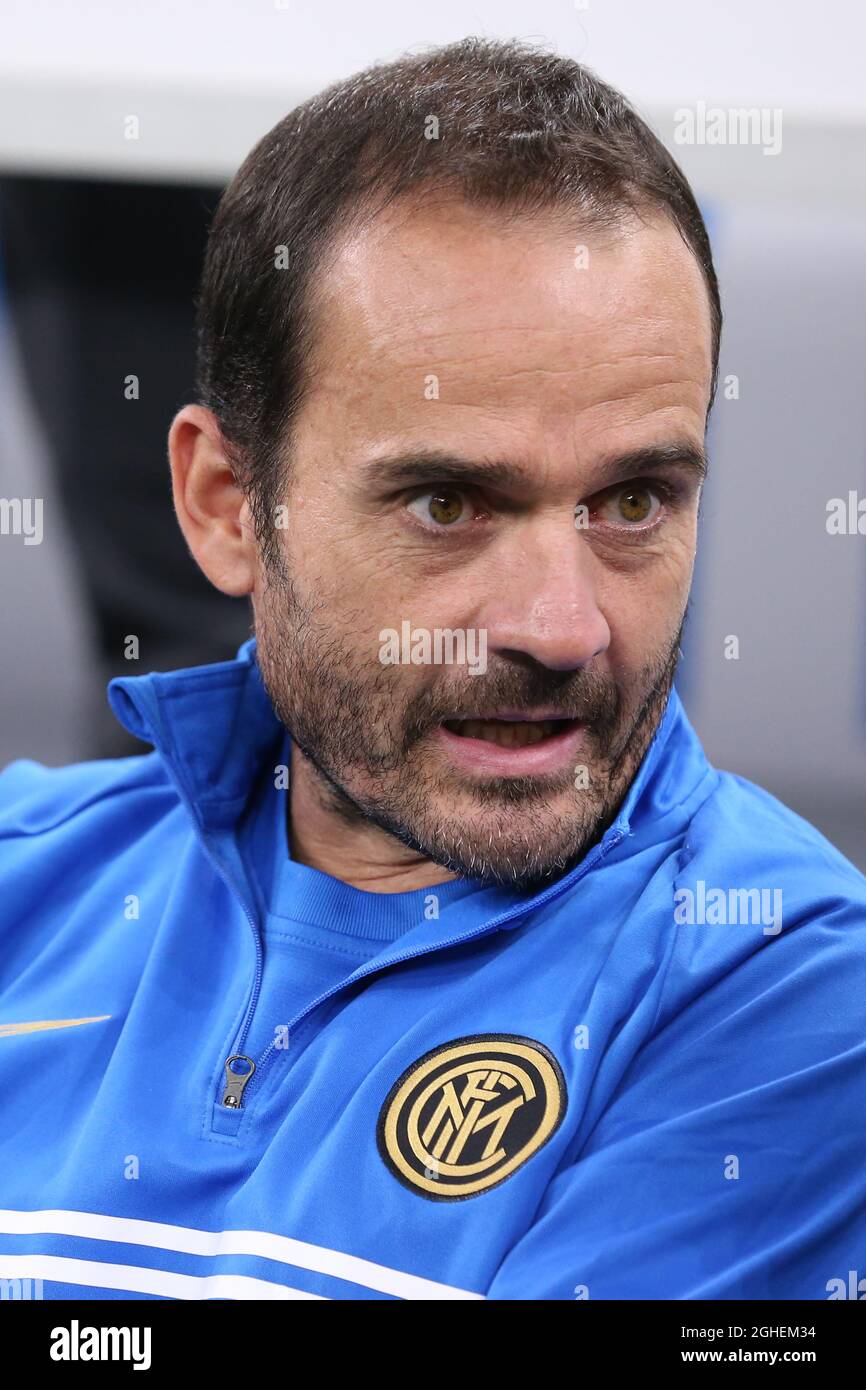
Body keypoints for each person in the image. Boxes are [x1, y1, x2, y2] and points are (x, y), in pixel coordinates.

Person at [1, 37, 864, 1302]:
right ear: (229, 505)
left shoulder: (789, 999)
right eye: (448, 502)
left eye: (632, 499)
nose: (560, 627)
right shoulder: (30, 876)